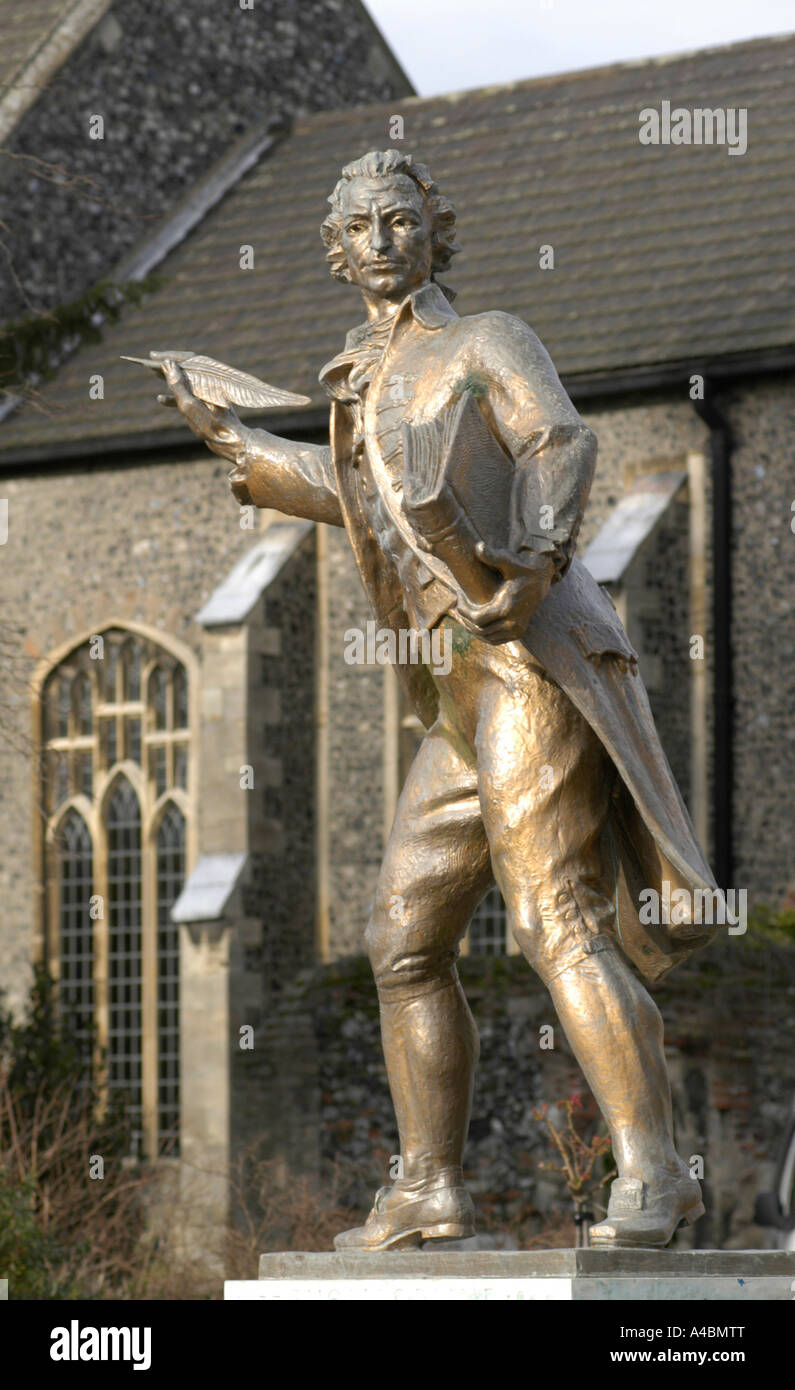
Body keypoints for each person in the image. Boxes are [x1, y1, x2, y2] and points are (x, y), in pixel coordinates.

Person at [158, 149, 718, 1250]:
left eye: (400, 220)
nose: (381, 239)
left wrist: (539, 554)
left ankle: (656, 1173)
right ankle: (431, 1185)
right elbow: (374, 502)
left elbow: (558, 438)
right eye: (361, 225)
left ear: (432, 232)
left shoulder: (483, 342)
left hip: (529, 655)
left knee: (554, 919)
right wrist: (239, 444)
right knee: (402, 937)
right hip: (457, 692)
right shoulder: (361, 381)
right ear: (337, 250)